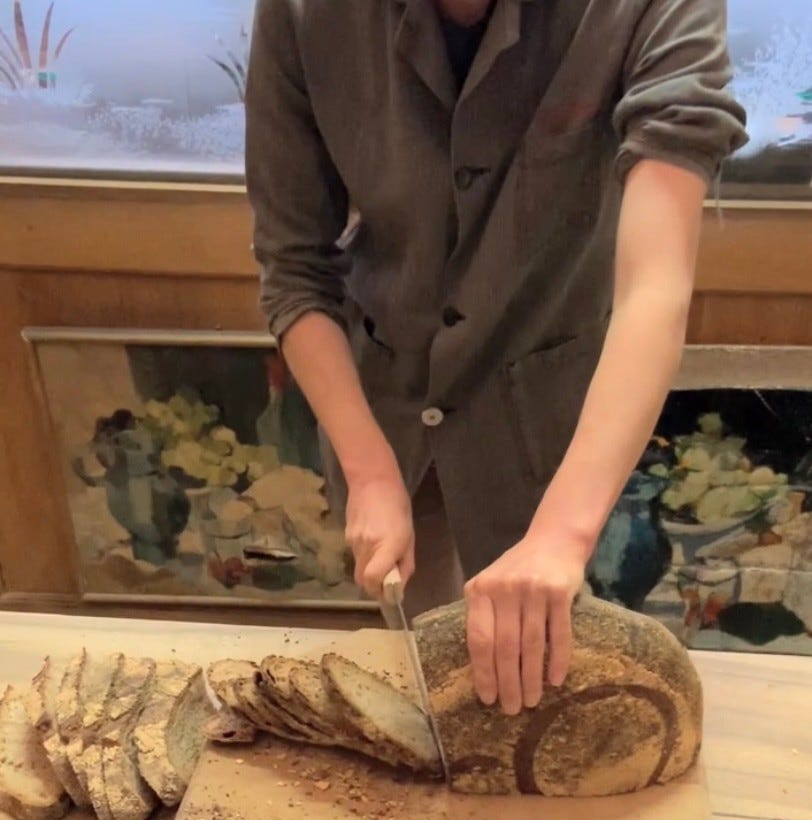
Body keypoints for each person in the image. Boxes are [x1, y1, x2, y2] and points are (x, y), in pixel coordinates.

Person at [245, 0, 747, 715]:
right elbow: (294, 269)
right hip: (387, 410)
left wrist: (563, 533)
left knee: (558, 692)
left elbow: (653, 288)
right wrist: (369, 469)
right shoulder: (302, 12)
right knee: (430, 692)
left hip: (557, 426)